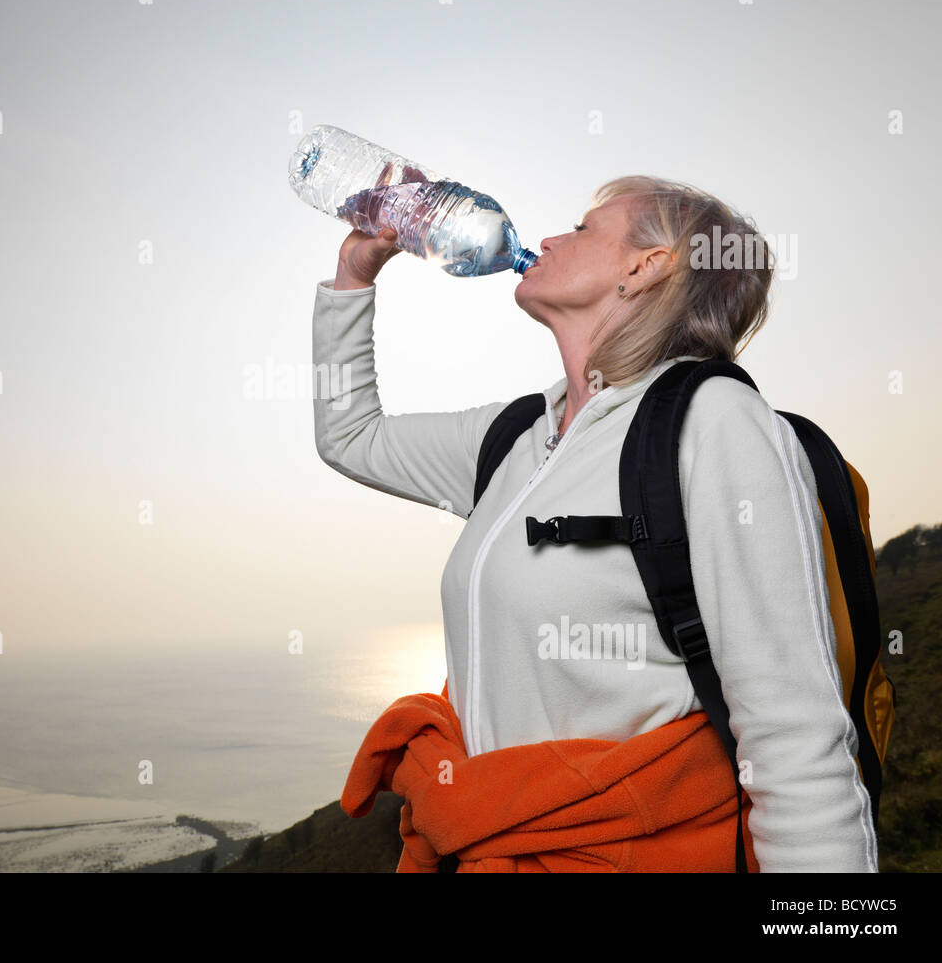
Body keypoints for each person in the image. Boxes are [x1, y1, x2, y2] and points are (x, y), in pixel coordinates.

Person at [312, 176, 877, 872]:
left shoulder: (715, 425)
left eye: (581, 229)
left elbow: (795, 740)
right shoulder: (517, 436)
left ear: (648, 264)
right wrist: (353, 276)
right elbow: (351, 436)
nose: (546, 238)